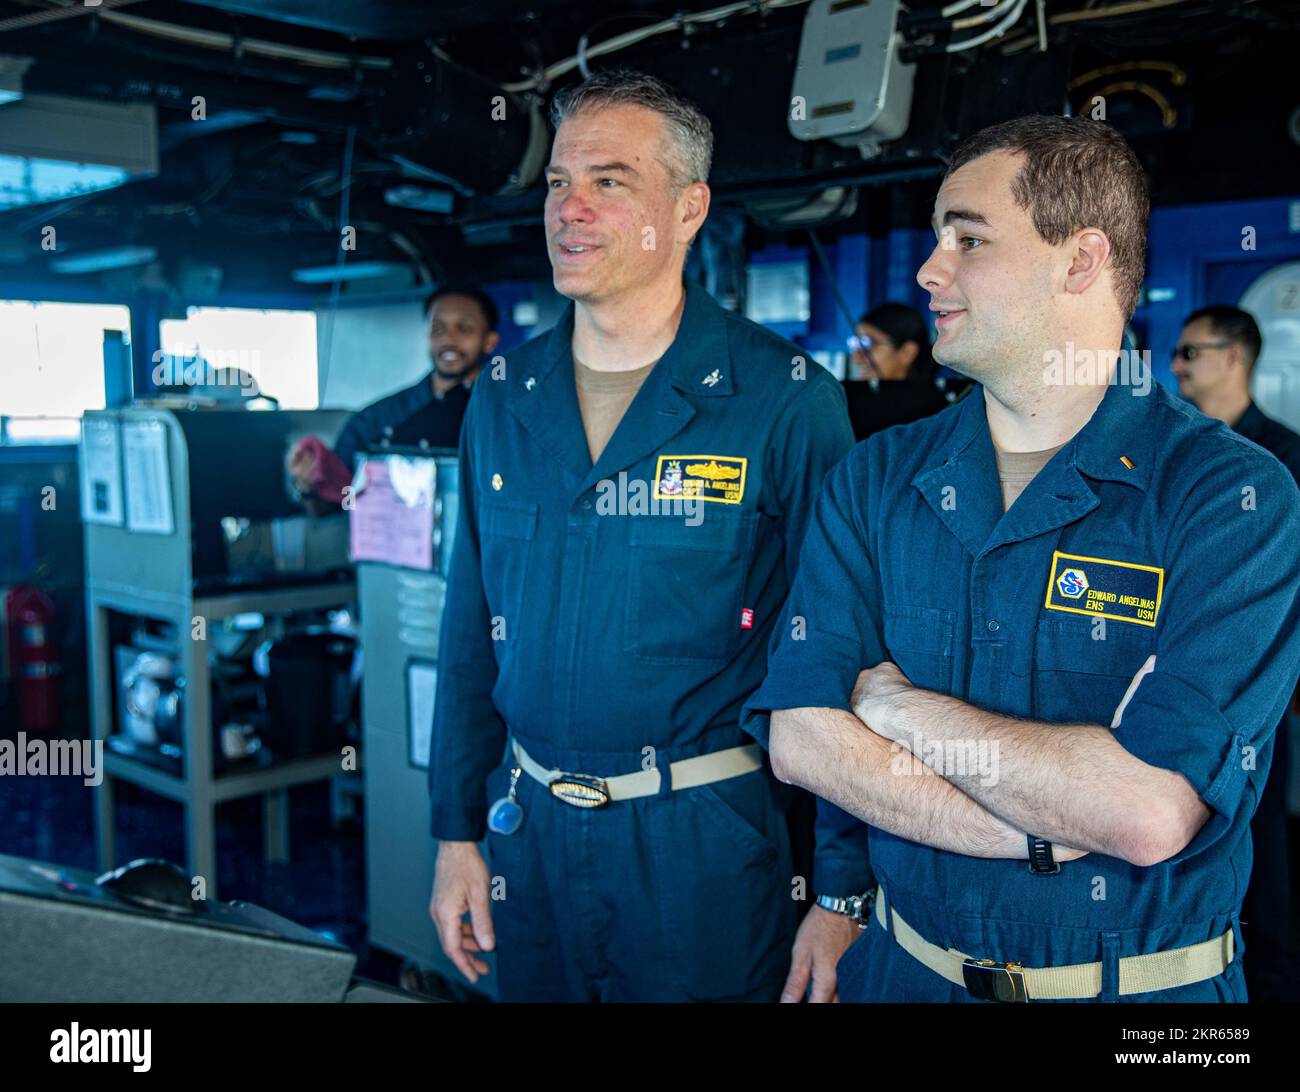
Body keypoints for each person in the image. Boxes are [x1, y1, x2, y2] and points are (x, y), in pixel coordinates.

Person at [743, 114, 1300, 1002]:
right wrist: (1041, 826)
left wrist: (892, 705)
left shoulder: (1232, 498)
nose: (930, 270)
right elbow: (802, 740)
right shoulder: (878, 475)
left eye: (968, 238)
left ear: (1080, 260)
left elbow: (1147, 811)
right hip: (905, 973)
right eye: (935, 240)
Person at [426, 69, 865, 1002]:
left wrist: (842, 884)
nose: (569, 209)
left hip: (700, 846)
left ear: (690, 205)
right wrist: (455, 831)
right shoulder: (505, 397)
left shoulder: (783, 402)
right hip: (527, 830)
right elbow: (470, 627)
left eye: (609, 181)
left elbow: (839, 653)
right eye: (556, 182)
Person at [1173, 303, 1300, 1000]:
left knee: (1262, 849)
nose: (1179, 367)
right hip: (1179, 688)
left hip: (1258, 692)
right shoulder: (1178, 457)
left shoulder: (1285, 458)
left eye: (1192, 352)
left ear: (1235, 357)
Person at [286, 285, 498, 502]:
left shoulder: (501, 415)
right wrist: (309, 481)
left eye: (464, 328)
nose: (449, 339)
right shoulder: (379, 418)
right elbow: (332, 501)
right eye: (438, 328)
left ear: (490, 341)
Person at [842, 302, 968, 440]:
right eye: (856, 344)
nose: (857, 358)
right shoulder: (851, 403)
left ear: (907, 352)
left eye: (868, 344)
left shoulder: (947, 407)